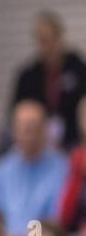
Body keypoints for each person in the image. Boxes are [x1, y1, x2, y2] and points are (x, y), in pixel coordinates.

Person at [0, 100, 68, 236]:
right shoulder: (0, 169)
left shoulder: (61, 167)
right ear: (13, 129)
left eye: (31, 126)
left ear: (44, 129)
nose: (26, 131)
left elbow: (56, 217)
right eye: (21, 125)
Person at [9, 10, 86, 149]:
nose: (48, 47)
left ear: (60, 38)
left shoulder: (78, 69)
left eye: (51, 39)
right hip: (37, 142)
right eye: (42, 41)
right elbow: (14, 113)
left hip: (73, 139)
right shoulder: (27, 76)